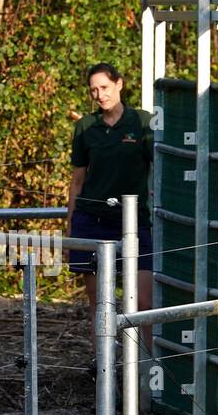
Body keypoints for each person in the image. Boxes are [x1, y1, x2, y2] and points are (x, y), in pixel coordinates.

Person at [66, 63, 154, 365]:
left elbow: (161, 169)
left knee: (144, 300)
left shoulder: (143, 123)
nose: (99, 94)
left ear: (119, 84)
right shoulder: (86, 127)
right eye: (94, 90)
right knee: (100, 302)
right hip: (91, 222)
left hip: (134, 221)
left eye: (104, 87)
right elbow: (77, 181)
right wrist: (71, 227)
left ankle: (147, 368)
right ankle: (103, 367)